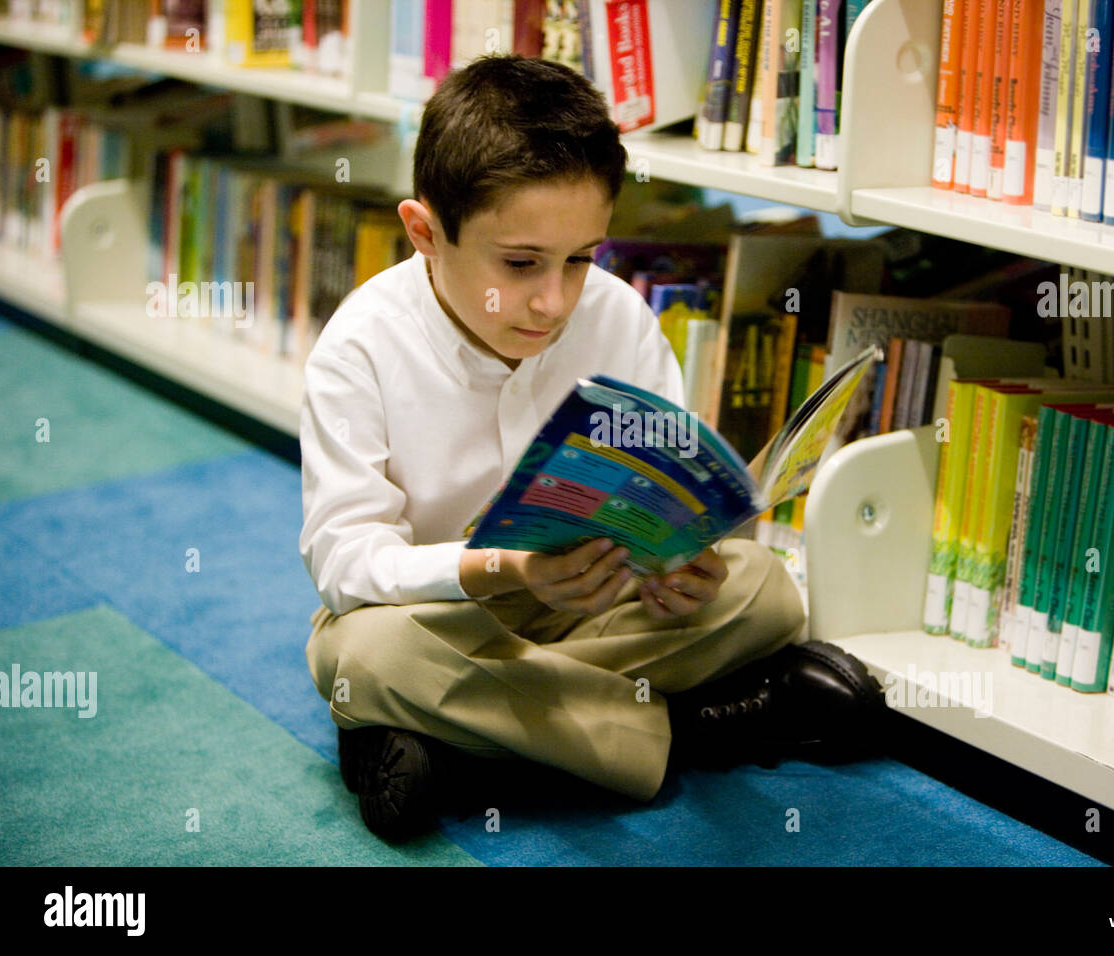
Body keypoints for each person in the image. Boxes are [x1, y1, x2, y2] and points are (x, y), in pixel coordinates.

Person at [299, 54, 883, 843]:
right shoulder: (358, 349)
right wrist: (498, 566)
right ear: (425, 232)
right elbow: (344, 561)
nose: (555, 301)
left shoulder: (619, 317)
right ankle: (696, 727)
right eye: (520, 264)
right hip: (444, 615)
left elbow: (671, 491)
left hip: (599, 603)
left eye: (581, 258)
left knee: (763, 589)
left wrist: (684, 564)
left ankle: (466, 748)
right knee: (362, 657)